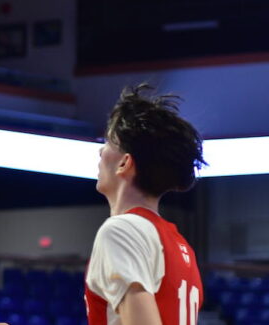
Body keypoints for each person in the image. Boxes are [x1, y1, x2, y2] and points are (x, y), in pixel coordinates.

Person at [85, 85, 207, 325]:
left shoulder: (121, 230)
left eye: (108, 141)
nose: (101, 150)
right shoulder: (181, 246)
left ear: (124, 163)